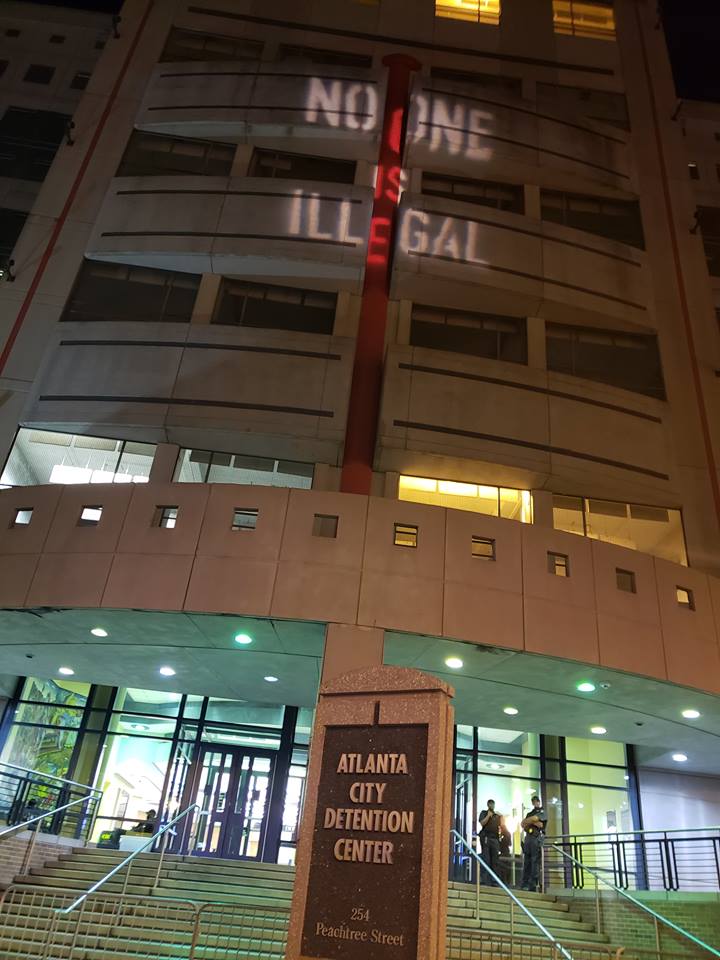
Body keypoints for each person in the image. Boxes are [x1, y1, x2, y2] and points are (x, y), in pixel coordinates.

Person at [520, 795, 547, 892]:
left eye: (536, 801)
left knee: (535, 862)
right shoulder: (530, 813)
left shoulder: (543, 812)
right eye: (533, 801)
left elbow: (539, 822)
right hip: (528, 838)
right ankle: (524, 883)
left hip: (536, 838)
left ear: (539, 802)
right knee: (527, 861)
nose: (535, 803)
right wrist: (534, 822)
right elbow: (523, 824)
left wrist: (530, 822)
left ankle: (532, 885)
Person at [478, 799, 502, 883]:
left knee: (495, 860)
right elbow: (482, 823)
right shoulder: (484, 813)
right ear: (488, 805)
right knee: (486, 858)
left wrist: (501, 817)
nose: (492, 806)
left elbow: (501, 826)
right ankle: (484, 879)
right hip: (486, 837)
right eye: (490, 804)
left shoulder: (497, 815)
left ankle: (494, 880)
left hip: (495, 838)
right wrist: (488, 816)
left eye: (493, 804)